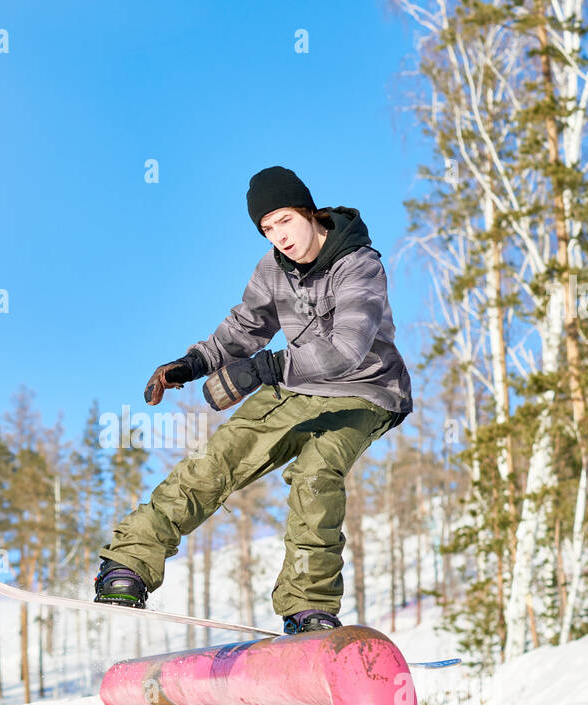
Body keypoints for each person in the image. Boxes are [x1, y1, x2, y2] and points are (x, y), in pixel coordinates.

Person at [94, 166, 413, 634]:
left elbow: (347, 349)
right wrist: (193, 363)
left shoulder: (359, 264)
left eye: (285, 220)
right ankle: (128, 565)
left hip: (366, 391)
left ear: (308, 211)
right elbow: (245, 328)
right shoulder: (272, 269)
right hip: (296, 388)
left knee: (316, 472)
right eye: (267, 228)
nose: (279, 237)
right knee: (218, 459)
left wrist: (261, 370)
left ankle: (308, 607)